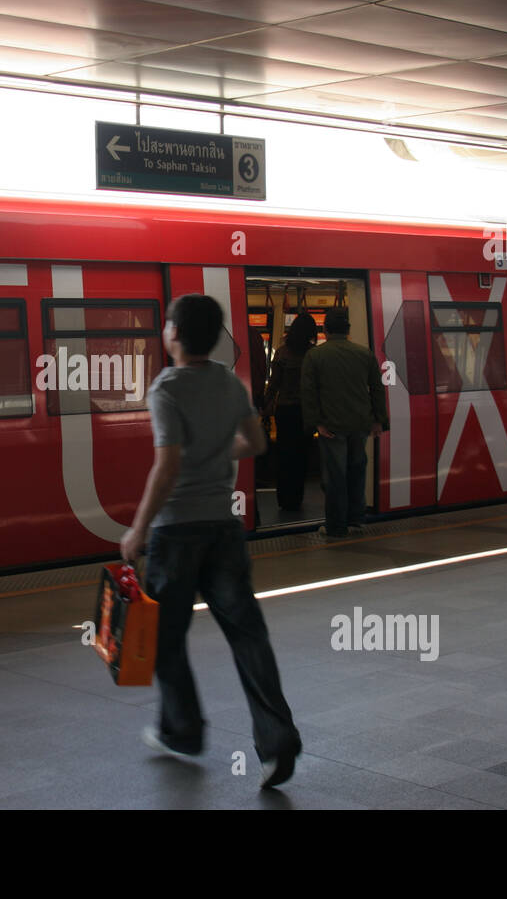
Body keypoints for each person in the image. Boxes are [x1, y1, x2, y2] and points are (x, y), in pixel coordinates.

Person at [120, 294, 301, 789]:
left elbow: (168, 465)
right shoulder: (227, 381)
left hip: (176, 533)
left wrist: (137, 528)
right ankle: (278, 741)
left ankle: (182, 732)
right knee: (248, 635)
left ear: (174, 333)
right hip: (224, 529)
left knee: (163, 637)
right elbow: (256, 443)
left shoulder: (166, 389)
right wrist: (220, 453)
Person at [300, 309, 388, 538]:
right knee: (357, 471)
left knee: (335, 476)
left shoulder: (314, 356)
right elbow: (377, 389)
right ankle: (356, 519)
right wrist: (379, 420)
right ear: (348, 331)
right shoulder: (364, 354)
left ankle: (336, 526)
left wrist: (316, 423)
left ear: (325, 330)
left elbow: (308, 393)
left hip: (332, 426)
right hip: (360, 424)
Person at [263, 316, 317, 512]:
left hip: (285, 410)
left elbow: (274, 383)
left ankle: (284, 498)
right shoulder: (313, 354)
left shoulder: (282, 352)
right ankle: (297, 496)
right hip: (306, 411)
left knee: (284, 454)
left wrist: (266, 403)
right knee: (301, 455)